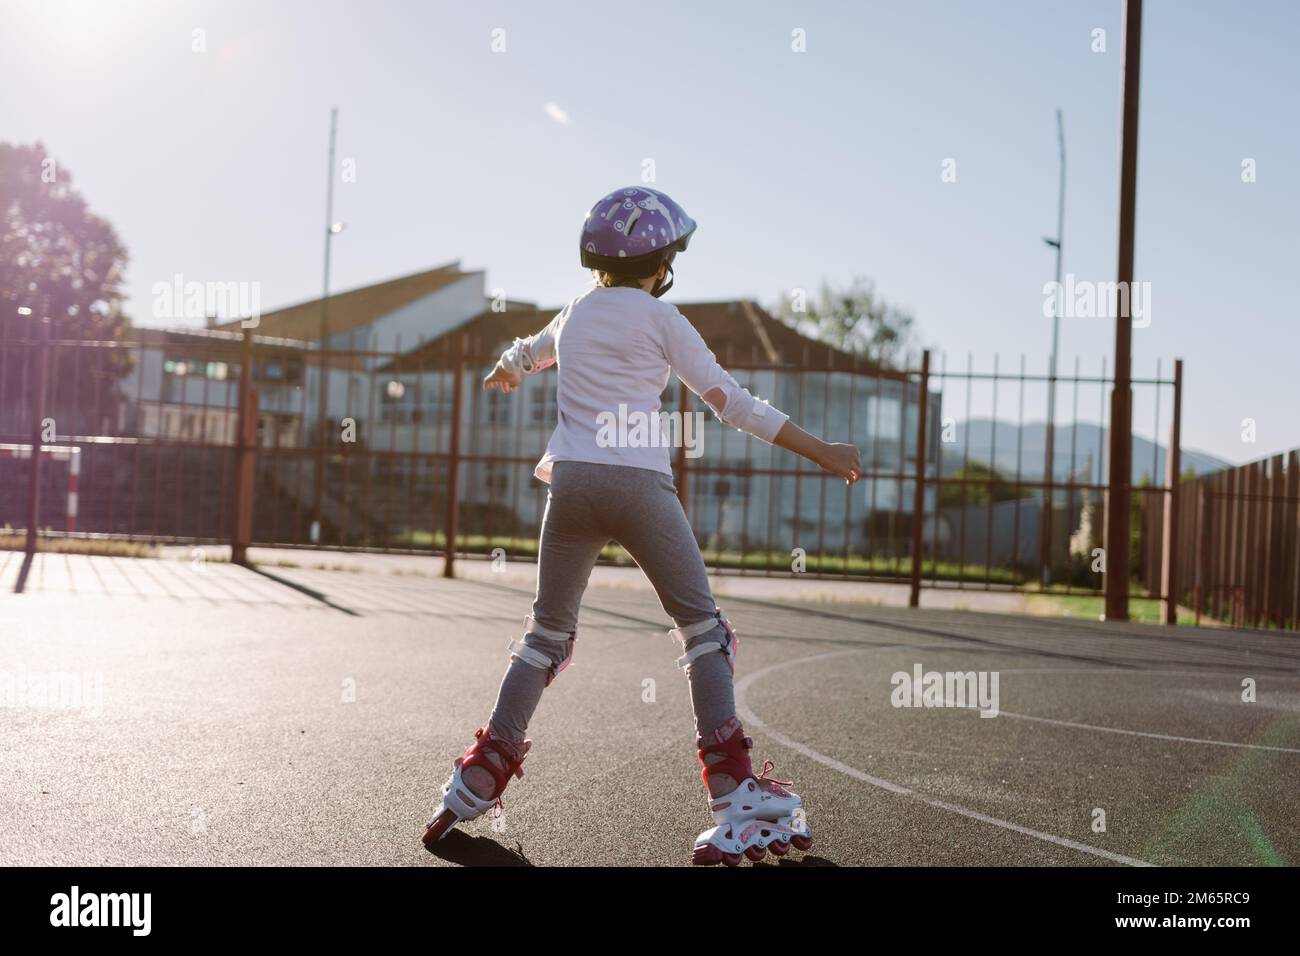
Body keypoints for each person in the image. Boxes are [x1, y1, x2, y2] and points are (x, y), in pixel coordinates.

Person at [422, 186, 862, 864]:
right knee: (704, 630)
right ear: (660, 263)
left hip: (569, 486)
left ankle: (479, 774)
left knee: (546, 635)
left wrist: (501, 373)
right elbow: (731, 404)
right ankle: (733, 793)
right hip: (638, 488)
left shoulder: (572, 314)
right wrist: (824, 451)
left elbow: (524, 352)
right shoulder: (662, 318)